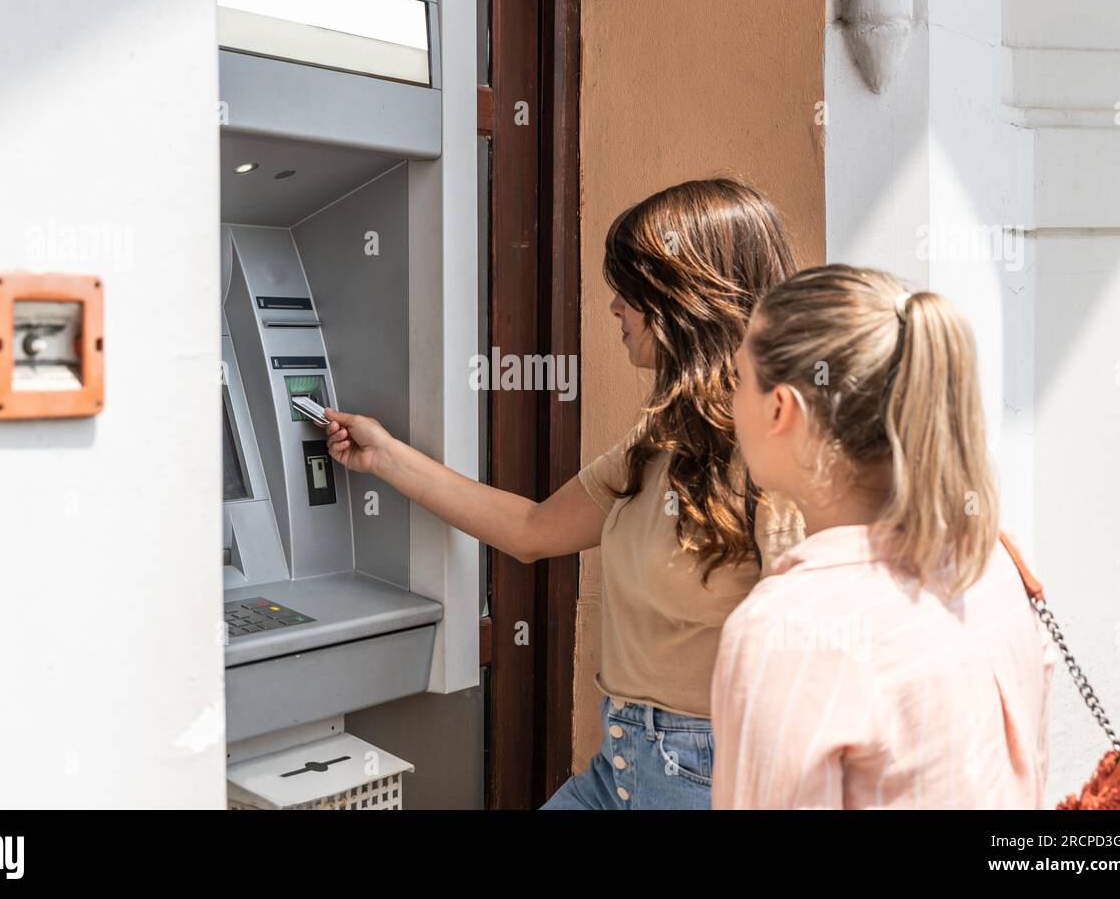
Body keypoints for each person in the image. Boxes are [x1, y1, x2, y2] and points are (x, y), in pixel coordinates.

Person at [322, 177, 805, 809]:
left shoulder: (778, 450)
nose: (614, 307)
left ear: (682, 297)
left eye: (628, 288)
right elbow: (532, 530)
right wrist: (385, 456)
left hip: (710, 776)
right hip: (625, 764)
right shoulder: (660, 440)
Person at [713, 264, 1055, 808]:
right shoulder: (994, 561)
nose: (730, 405)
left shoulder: (786, 628)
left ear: (782, 409)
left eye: (737, 380)